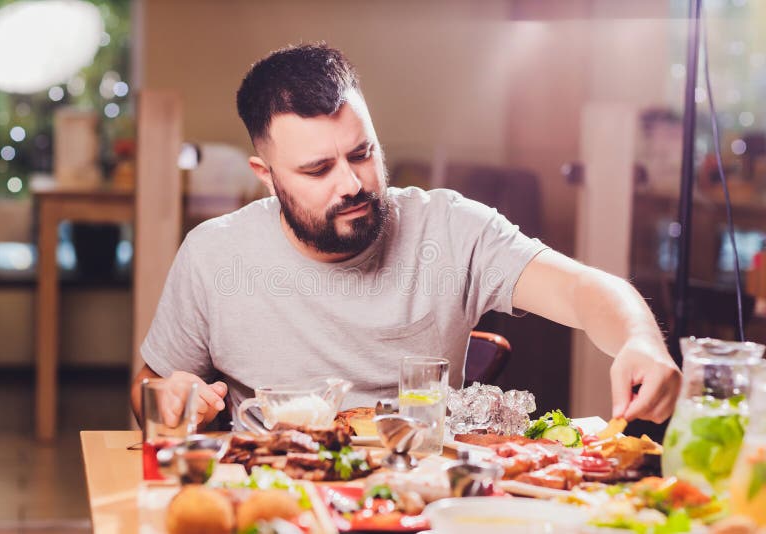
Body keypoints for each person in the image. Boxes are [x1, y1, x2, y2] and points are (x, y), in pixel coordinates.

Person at [130, 43, 680, 429]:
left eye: (362, 153)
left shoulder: (451, 228)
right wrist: (168, 398)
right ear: (267, 177)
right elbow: (148, 387)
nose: (352, 184)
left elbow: (584, 290)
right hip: (276, 498)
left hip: (421, 498)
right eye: (318, 170)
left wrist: (640, 341)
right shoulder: (214, 254)